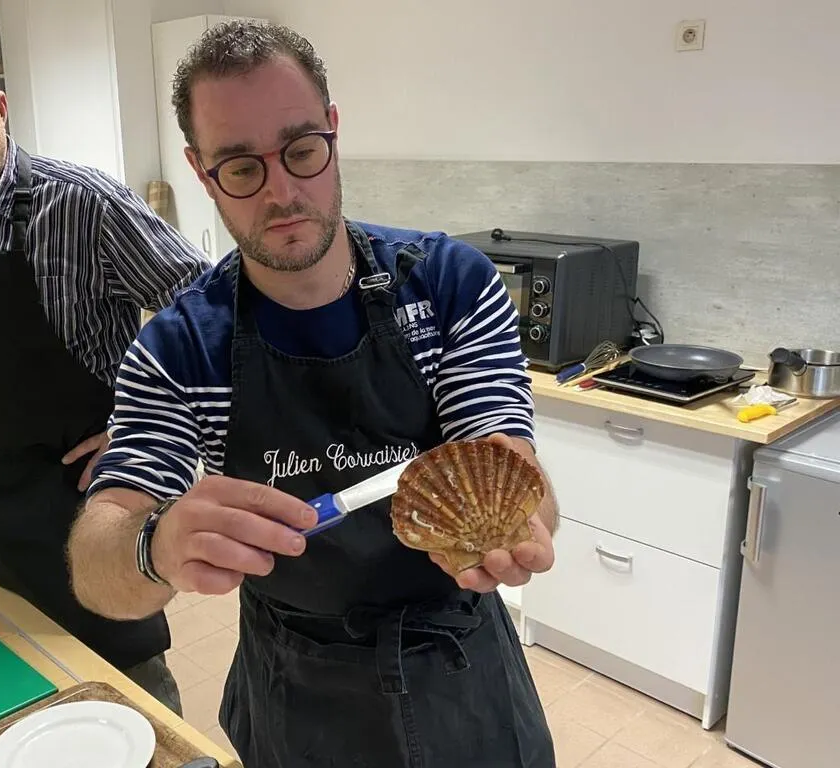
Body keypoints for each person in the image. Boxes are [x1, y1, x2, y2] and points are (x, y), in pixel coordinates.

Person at [67, 20, 559, 767]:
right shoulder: (180, 347)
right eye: (241, 167)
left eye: (300, 150)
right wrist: (156, 547)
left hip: (461, 670)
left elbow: (504, 453)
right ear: (202, 173)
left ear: (332, 131)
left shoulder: (447, 283)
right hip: (296, 689)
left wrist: (521, 520)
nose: (283, 192)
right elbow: (100, 563)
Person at [0, 30, 209, 715]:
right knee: (21, 672)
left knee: (131, 689)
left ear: (0, 107)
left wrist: (142, 429)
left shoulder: (84, 203)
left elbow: (207, 312)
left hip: (94, 496)